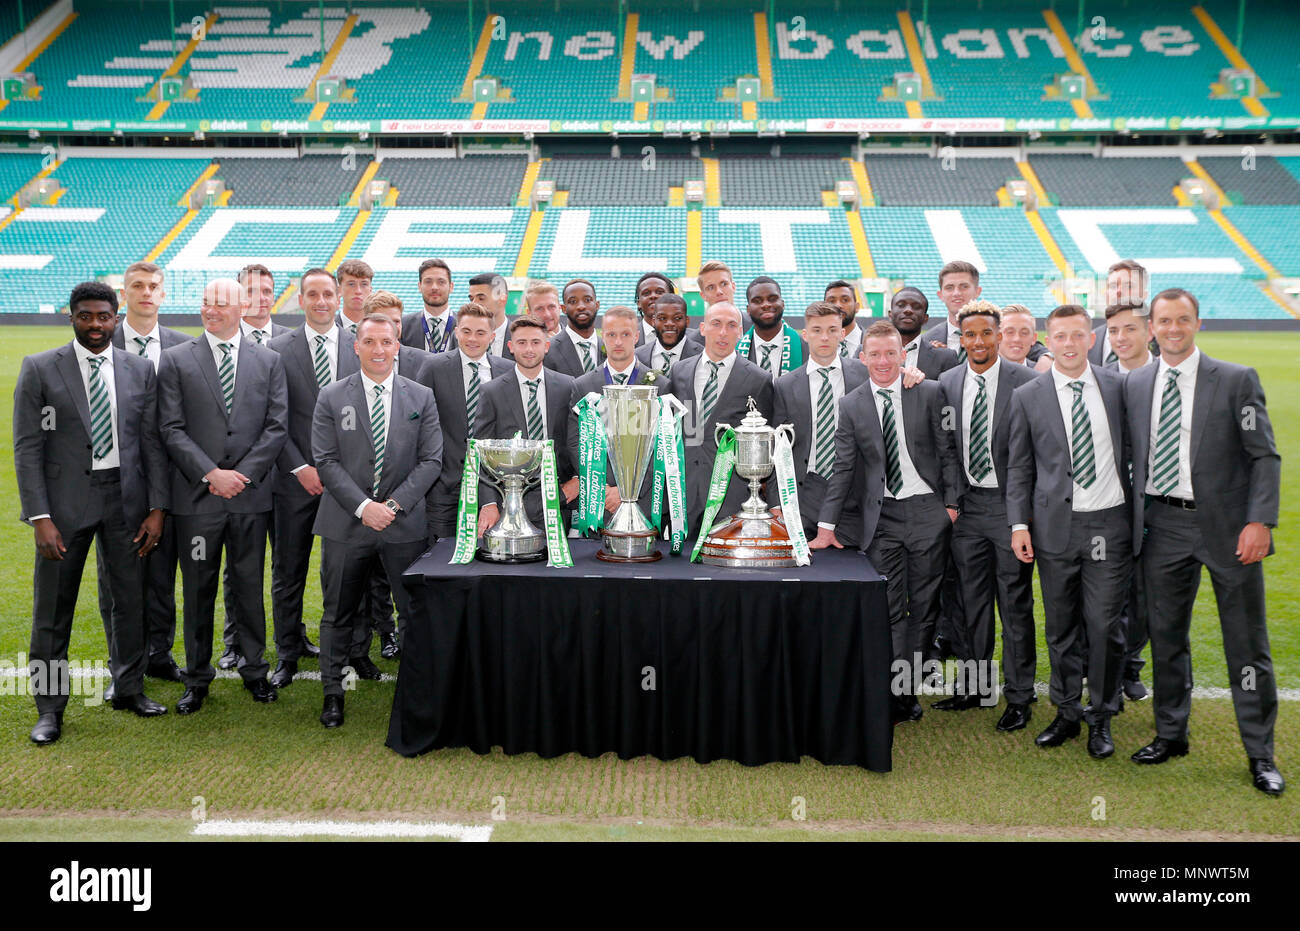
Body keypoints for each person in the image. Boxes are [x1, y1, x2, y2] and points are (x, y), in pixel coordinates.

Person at [1124, 288, 1283, 796]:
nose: (1173, 329)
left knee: (1247, 645)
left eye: (1183, 320)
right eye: (1164, 321)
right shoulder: (1137, 383)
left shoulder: (1235, 380)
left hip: (1228, 529)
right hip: (1162, 527)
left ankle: (1260, 753)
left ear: (1198, 324)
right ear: (1152, 327)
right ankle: (1171, 734)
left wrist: (1260, 521)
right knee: (1167, 640)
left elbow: (1264, 455)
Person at [15, 282, 170, 744]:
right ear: (72, 318)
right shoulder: (41, 368)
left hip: (126, 501)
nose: (96, 325)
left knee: (129, 601)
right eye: (86, 316)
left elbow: (151, 443)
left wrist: (157, 507)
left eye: (104, 317)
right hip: (63, 508)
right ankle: (49, 709)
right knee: (52, 610)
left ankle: (128, 688)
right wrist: (39, 516)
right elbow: (27, 449)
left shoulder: (139, 369)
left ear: (116, 318)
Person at [812, 320, 960, 726]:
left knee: (925, 608)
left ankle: (908, 691)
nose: (882, 361)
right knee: (890, 610)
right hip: (883, 520)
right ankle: (894, 694)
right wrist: (827, 525)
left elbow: (947, 452)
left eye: (889, 353)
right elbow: (844, 468)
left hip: (929, 512)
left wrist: (950, 506)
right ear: (862, 357)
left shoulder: (928, 392)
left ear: (902, 355)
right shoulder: (851, 404)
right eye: (874, 354)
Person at [157, 278, 288, 715]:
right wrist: (211, 473)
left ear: (242, 306)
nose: (211, 310)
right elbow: (170, 428)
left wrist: (242, 476)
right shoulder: (175, 360)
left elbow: (276, 427)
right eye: (206, 303)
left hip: (249, 499)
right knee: (198, 589)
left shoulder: (269, 361)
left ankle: (255, 671)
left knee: (249, 586)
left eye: (220, 303)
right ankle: (197, 678)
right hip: (197, 502)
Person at [1006, 304, 1131, 759]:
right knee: (1059, 626)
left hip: (1109, 524)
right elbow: (1019, 466)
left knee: (1102, 626)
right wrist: (1019, 524)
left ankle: (1101, 716)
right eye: (1060, 337)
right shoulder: (1029, 395)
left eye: (1077, 335)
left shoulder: (1119, 387)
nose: (1069, 344)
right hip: (1055, 527)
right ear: (1050, 339)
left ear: (1091, 339)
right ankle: (1066, 712)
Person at [311, 314, 442, 728]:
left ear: (397, 344)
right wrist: (364, 507)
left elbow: (431, 460)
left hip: (402, 524)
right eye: (370, 341)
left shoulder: (420, 396)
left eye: (386, 341)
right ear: (357, 346)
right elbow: (326, 461)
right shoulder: (331, 396)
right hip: (346, 524)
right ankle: (333, 692)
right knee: (338, 611)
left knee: (411, 611)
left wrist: (393, 505)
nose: (379, 349)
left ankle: (414, 695)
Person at [934, 301, 1038, 731]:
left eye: (986, 334)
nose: (978, 342)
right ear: (961, 339)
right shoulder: (947, 382)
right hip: (967, 508)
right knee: (971, 605)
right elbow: (943, 447)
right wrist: (951, 500)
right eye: (969, 334)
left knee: (1014, 604)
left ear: (999, 336)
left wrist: (1021, 519)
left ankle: (1019, 695)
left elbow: (1032, 456)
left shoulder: (1027, 383)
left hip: (1009, 508)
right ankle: (976, 685)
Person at [263, 268, 359, 689]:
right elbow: (272, 419)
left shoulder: (360, 346)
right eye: (312, 294)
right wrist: (300, 466)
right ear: (300, 300)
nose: (321, 301)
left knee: (348, 567)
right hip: (295, 478)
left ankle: (353, 648)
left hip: (349, 480)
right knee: (289, 568)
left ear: (338, 298)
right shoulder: (276, 349)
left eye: (328, 294)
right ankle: (287, 651)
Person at [101, 261, 190, 685]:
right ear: (124, 293)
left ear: (164, 293)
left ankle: (159, 653)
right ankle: (122, 656)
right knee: (116, 578)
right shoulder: (101, 340)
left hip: (171, 479)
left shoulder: (182, 346)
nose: (146, 292)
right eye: (137, 285)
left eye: (154, 286)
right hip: (115, 482)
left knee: (162, 573)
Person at [765, 301, 870, 545]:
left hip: (852, 494)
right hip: (802, 495)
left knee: (850, 573)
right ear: (805, 334)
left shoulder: (864, 375)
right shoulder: (785, 385)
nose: (825, 337)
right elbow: (776, 448)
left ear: (842, 334)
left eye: (832, 330)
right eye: (817, 330)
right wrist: (776, 502)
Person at [665, 302, 773, 534]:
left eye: (731, 325)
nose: (723, 332)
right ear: (702, 328)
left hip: (731, 497)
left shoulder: (759, 379)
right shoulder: (679, 372)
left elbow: (767, 444)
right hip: (683, 496)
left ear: (741, 333)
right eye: (716, 324)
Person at [477, 315, 578, 534]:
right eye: (522, 343)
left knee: (556, 564)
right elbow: (480, 453)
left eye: (535, 342)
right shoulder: (491, 392)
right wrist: (488, 503)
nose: (529, 349)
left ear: (547, 346)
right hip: (508, 499)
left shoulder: (567, 385)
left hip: (558, 498)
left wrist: (578, 481)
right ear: (511, 347)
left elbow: (577, 439)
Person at [1102, 301, 1156, 701]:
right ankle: (1111, 670)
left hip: (1162, 502)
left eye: (1130, 330)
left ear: (1148, 331)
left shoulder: (1166, 378)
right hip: (1116, 505)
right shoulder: (1103, 381)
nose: (1121, 338)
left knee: (1148, 595)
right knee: (1112, 594)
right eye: (1114, 331)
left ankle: (1132, 663)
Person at [424, 303, 514, 540]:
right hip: (444, 488)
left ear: (492, 337)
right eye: (466, 331)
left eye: (480, 333)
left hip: (495, 488)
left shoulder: (508, 371)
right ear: (456, 332)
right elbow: (420, 423)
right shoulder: (433, 367)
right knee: (441, 559)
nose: (472, 339)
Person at [567, 306, 658, 528]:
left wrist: (628, 489)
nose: (618, 342)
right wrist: (604, 487)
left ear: (636, 337)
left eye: (625, 334)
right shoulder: (582, 386)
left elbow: (662, 446)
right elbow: (574, 442)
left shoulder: (658, 384)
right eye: (611, 334)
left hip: (643, 502)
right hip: (601, 501)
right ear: (602, 336)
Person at [741, 276, 807, 378]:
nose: (766, 305)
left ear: (783, 304)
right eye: (757, 301)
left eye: (772, 299)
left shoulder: (807, 348)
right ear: (748, 310)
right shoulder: (736, 352)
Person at [1090, 259, 1151, 366]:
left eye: (1128, 286)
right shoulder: (1088, 341)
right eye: (1113, 286)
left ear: (1144, 295)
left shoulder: (1162, 341)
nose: (1118, 291)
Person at [889, 286, 959, 378]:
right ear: (890, 314)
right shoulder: (870, 353)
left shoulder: (945, 357)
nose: (908, 310)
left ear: (925, 318)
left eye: (916, 307)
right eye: (901, 305)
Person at [544, 278, 605, 377]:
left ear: (597, 305)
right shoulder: (548, 350)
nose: (581, 306)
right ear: (564, 308)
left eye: (587, 300)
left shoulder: (610, 348)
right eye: (573, 301)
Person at [925, 260, 981, 360]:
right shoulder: (926, 341)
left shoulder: (997, 338)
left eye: (964, 286)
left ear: (977, 291)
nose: (956, 293)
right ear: (940, 295)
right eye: (949, 287)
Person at [634, 293, 702, 375]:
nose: (669, 323)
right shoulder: (637, 356)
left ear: (687, 321)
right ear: (653, 321)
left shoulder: (701, 355)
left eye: (677, 318)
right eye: (662, 318)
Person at [401, 258, 458, 353]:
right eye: (428, 282)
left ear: (451, 287)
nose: (434, 287)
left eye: (441, 282)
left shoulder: (464, 325)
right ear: (419, 286)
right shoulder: (404, 326)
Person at [238, 263, 290, 344]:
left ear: (273, 297)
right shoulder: (223, 337)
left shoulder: (292, 340)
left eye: (267, 291)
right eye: (252, 291)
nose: (261, 298)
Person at [468, 272, 512, 359]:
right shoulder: (460, 337)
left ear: (502, 299)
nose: (474, 304)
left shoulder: (521, 338)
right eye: (471, 299)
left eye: (481, 298)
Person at [999, 304, 1054, 372]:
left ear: (1034, 338)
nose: (1017, 339)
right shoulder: (983, 373)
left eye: (1024, 333)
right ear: (997, 336)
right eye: (1010, 332)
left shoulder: (1045, 374)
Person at [633, 272, 677, 348]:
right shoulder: (625, 337)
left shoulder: (692, 338)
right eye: (646, 293)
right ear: (638, 303)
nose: (653, 296)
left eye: (660, 292)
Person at [823, 279, 864, 360]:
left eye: (845, 300)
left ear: (857, 307)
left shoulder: (874, 344)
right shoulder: (810, 347)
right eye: (831, 301)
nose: (838, 305)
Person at [335, 258, 374, 334]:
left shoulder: (383, 329)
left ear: (370, 290)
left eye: (364, 284)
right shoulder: (326, 329)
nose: (358, 291)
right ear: (339, 290)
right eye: (351, 284)